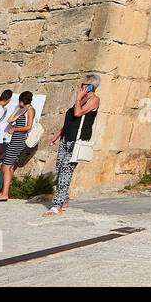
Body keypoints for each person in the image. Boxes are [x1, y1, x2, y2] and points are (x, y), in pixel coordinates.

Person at [44, 74, 101, 216]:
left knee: (66, 170)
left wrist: (78, 98)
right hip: (66, 138)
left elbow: (78, 113)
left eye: (84, 84)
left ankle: (57, 204)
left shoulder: (94, 100)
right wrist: (56, 137)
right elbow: (69, 121)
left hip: (77, 140)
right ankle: (65, 199)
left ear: (90, 86)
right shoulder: (82, 99)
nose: (81, 86)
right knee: (59, 169)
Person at [0, 91, 35, 202]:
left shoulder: (30, 110)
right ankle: (4, 193)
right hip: (14, 139)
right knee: (8, 166)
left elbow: (28, 127)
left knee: (6, 166)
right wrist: (17, 110)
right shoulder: (21, 110)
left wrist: (14, 129)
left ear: (23, 100)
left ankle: (4, 193)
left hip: (19, 140)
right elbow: (10, 120)